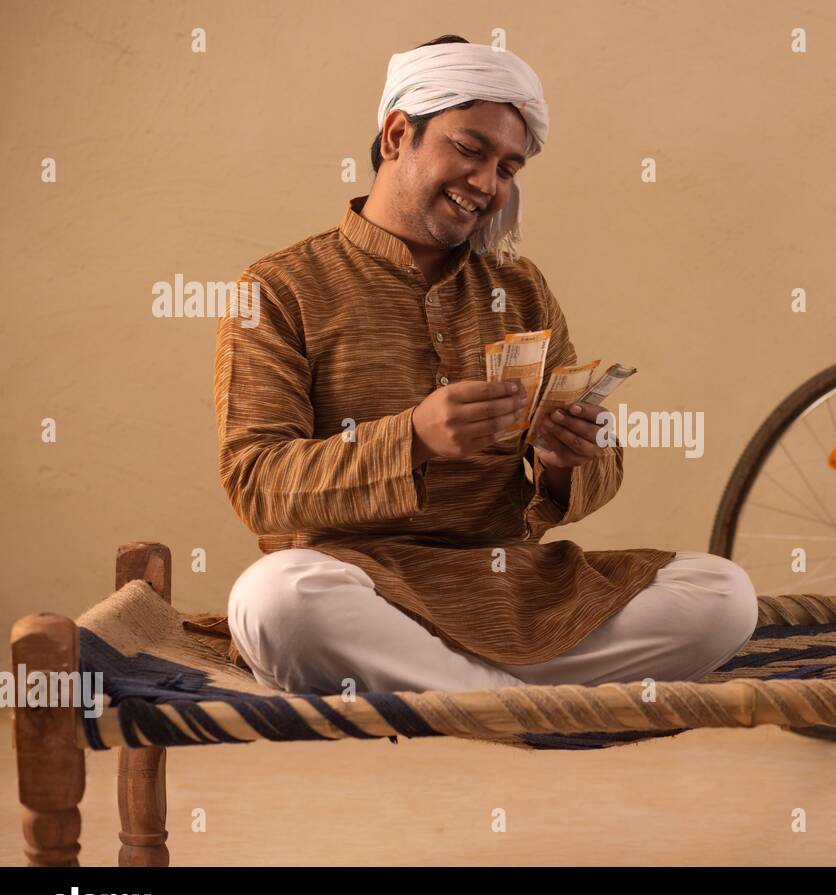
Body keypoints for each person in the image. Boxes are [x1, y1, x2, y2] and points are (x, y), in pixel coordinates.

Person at [215, 35, 757, 695]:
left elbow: (596, 468)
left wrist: (568, 457)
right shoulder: (277, 288)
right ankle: (524, 702)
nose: (488, 185)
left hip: (511, 590)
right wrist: (412, 438)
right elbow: (257, 483)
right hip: (359, 589)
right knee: (273, 600)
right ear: (395, 135)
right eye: (471, 149)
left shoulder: (520, 289)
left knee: (723, 595)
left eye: (508, 167)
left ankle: (471, 696)